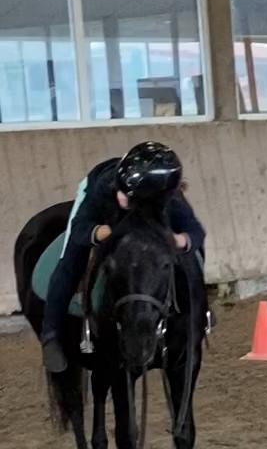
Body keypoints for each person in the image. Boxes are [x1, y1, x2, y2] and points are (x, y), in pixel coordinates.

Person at [41, 141, 205, 374]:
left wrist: (182, 241)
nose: (121, 196)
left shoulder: (171, 197)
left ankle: (202, 313)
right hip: (100, 203)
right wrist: (100, 232)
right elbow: (79, 229)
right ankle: (52, 334)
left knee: (193, 254)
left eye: (125, 196)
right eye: (121, 192)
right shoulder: (105, 189)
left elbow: (196, 232)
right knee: (71, 258)